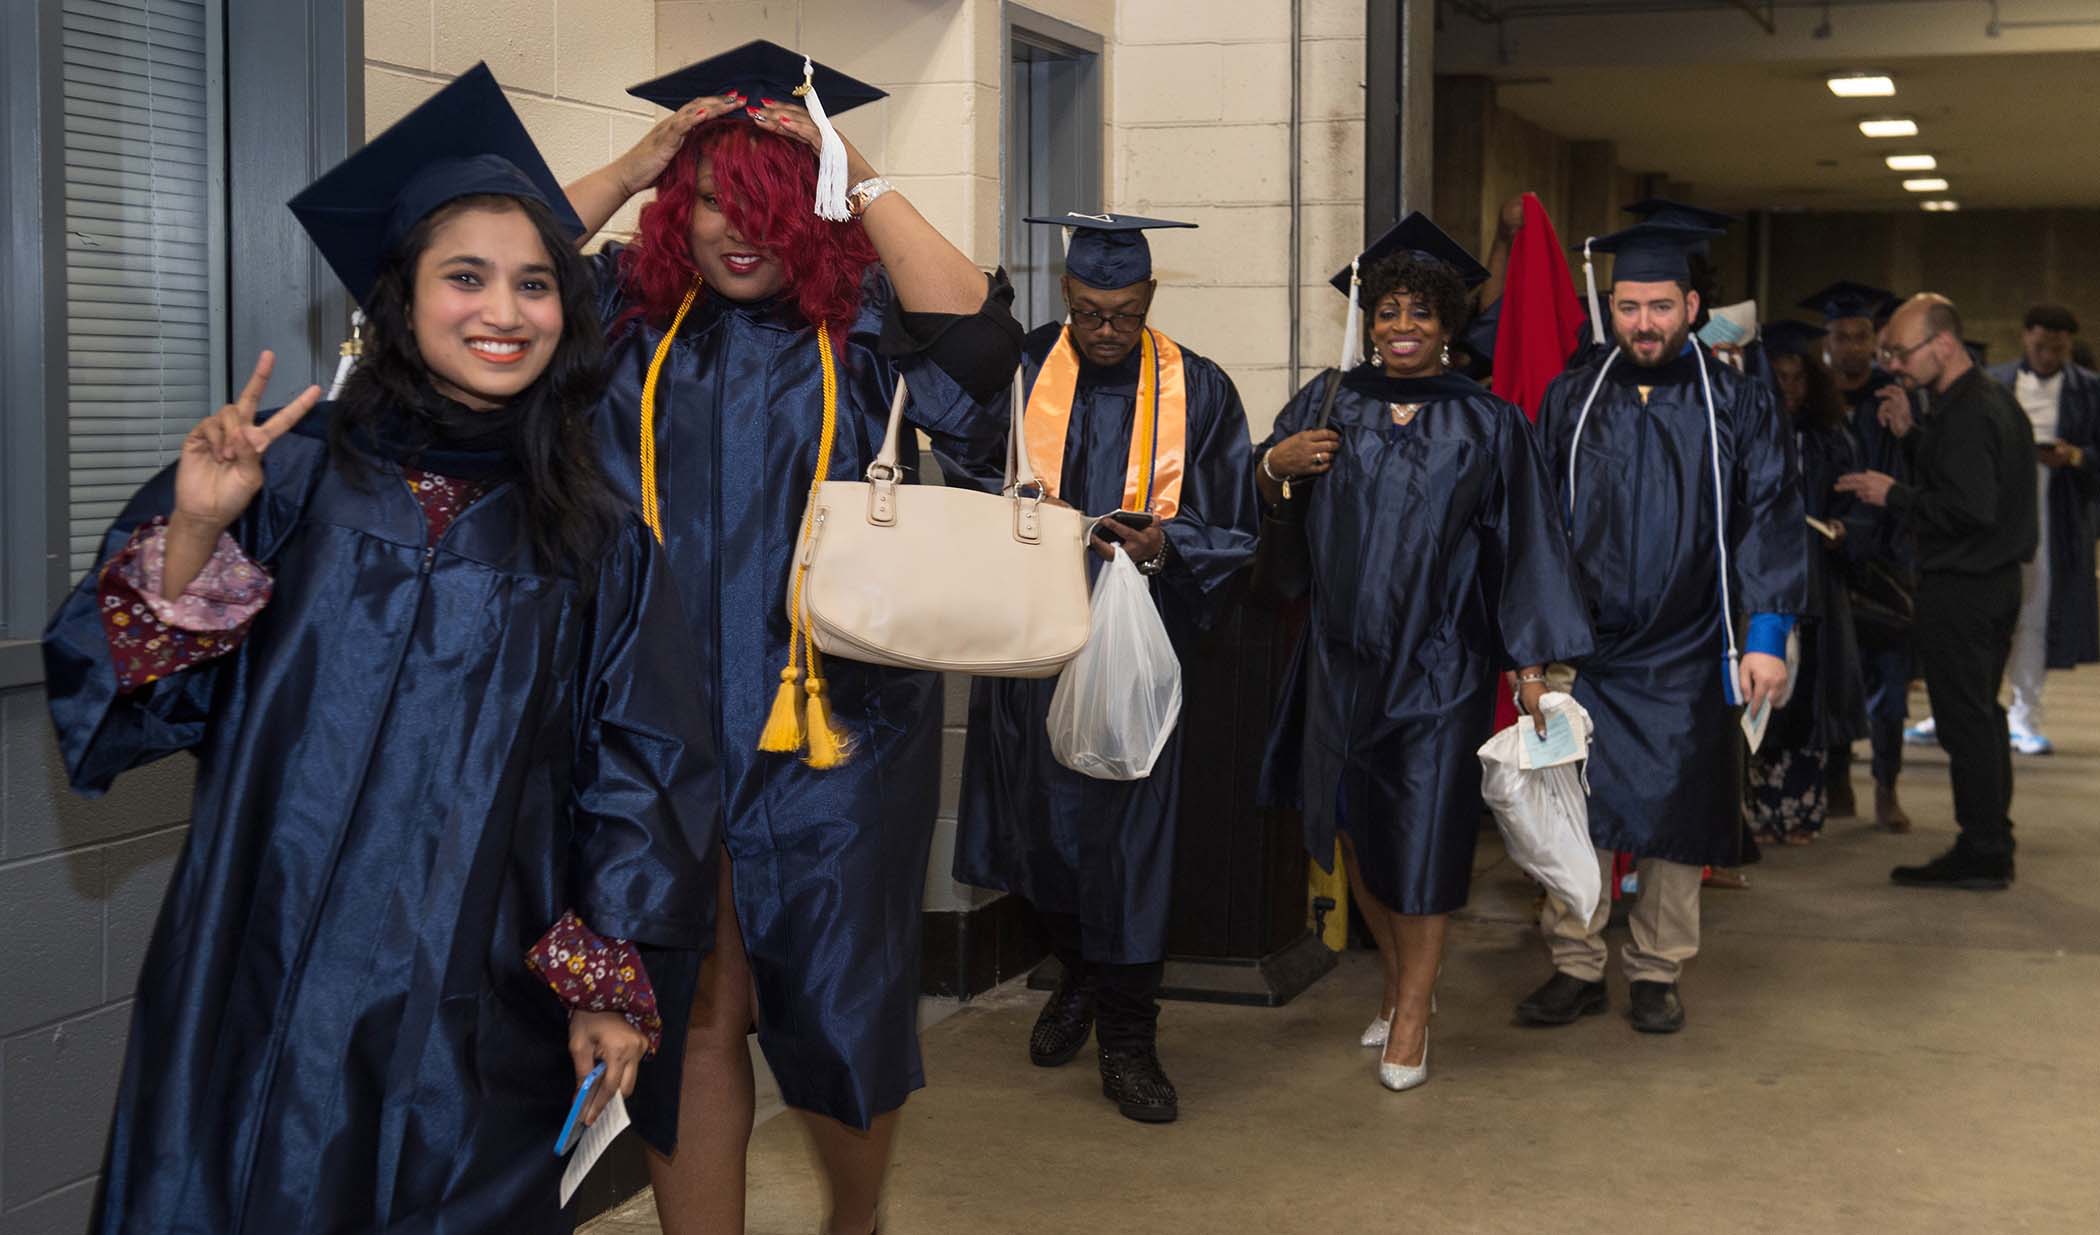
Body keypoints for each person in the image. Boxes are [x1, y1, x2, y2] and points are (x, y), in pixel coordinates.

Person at [43, 67, 719, 1233]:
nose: (503, 310)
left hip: (474, 986)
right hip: (257, 957)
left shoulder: (595, 531)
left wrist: (610, 977)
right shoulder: (285, 483)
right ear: (400, 300)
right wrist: (197, 525)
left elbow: (643, 763)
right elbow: (123, 702)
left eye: (535, 283)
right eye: (465, 277)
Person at [562, 40, 1022, 1235]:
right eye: (714, 199)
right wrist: (641, 159)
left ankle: (853, 1220)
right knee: (687, 998)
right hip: (645, 729)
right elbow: (467, 267)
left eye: (769, 200)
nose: (738, 230)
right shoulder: (621, 316)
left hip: (836, 730)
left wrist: (849, 164)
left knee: (837, 998)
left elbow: (982, 345)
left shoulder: (861, 324)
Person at [1257, 214, 1593, 1091]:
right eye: (1388, 309)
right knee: (1359, 839)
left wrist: (1529, 669)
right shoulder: (1328, 402)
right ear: (1369, 319)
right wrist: (1275, 465)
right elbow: (1263, 505)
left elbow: (1526, 547)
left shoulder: (1490, 424)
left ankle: (1413, 1010)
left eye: (1421, 312)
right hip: (1339, 660)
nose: (1402, 325)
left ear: (1448, 325)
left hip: (1441, 664)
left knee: (1428, 840)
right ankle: (1403, 983)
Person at [946, 212, 1259, 1124]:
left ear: (1151, 299)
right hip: (1031, 643)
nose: (1106, 330)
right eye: (1087, 310)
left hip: (1134, 651)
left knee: (1128, 849)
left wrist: (1168, 544)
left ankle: (1128, 1037)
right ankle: (1077, 969)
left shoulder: (1199, 387)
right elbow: (966, 460)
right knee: (1036, 833)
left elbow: (1233, 518)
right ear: (1064, 296)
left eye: (1123, 312)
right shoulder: (1021, 370)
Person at [1520, 218, 1806, 1035]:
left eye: (1661, 305)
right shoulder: (1571, 398)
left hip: (1692, 644)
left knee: (1677, 817)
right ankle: (1575, 961)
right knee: (1568, 807)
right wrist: (1532, 648)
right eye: (1629, 306)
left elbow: (1771, 516)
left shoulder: (1738, 399)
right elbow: (1536, 528)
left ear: (1692, 305)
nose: (1644, 322)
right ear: (1608, 306)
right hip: (1586, 647)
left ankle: (1656, 968)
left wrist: (1765, 637)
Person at [1837, 295, 2037, 891]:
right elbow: (1963, 481)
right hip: (1989, 583)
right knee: (1980, 715)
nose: (1894, 365)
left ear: (1942, 345)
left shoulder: (1971, 411)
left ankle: (1982, 850)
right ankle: (1990, 838)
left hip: (1966, 586)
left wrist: (1892, 492)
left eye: (1900, 351)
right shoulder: (1975, 403)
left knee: (1965, 721)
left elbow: (1969, 509)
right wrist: (1910, 437)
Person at [1745, 320, 1869, 845]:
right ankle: (1760, 812)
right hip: (1765, 578)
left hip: (1819, 581)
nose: (1790, 387)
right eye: (1779, 376)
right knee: (1764, 702)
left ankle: (1802, 811)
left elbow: (1858, 506)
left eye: (1798, 377)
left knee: (1809, 697)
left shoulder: (1832, 438)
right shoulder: (1749, 433)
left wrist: (1845, 529)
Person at [1800, 281, 1915, 830]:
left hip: (1883, 560)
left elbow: (1911, 481)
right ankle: (1837, 777)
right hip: (1827, 559)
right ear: (1826, 342)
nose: (1852, 346)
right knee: (1832, 673)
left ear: (1876, 340)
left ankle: (1887, 786)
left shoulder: (1895, 396)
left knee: (1890, 683)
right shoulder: (1812, 402)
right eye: (1841, 336)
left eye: (1862, 335)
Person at [1973, 305, 2096, 753]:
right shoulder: (1994, 382)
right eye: (2041, 345)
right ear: (2026, 337)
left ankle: (2025, 715)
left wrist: (2076, 457)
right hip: (1996, 515)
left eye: (2058, 348)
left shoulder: (2089, 391)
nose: (2048, 355)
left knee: (2035, 617)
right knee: (1982, 614)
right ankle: (1971, 707)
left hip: (2054, 515)